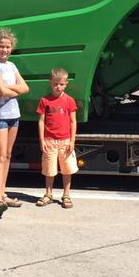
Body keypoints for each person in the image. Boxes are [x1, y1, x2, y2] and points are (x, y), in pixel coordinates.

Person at [0, 28, 29, 218]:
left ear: (12, 48)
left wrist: (9, 88)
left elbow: (25, 88)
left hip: (14, 115)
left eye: (8, 47)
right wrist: (14, 90)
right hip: (0, 115)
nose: (5, 49)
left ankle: (3, 194)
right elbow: (2, 92)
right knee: (0, 155)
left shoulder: (12, 66)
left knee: (8, 155)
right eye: (2, 46)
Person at [36, 67, 78, 209]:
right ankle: (48, 194)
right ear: (50, 83)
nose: (58, 87)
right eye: (55, 84)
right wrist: (42, 140)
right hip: (49, 141)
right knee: (49, 170)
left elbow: (73, 121)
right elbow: (41, 121)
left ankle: (66, 195)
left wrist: (72, 141)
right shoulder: (45, 100)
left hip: (65, 141)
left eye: (61, 84)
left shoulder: (70, 101)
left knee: (67, 169)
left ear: (66, 84)